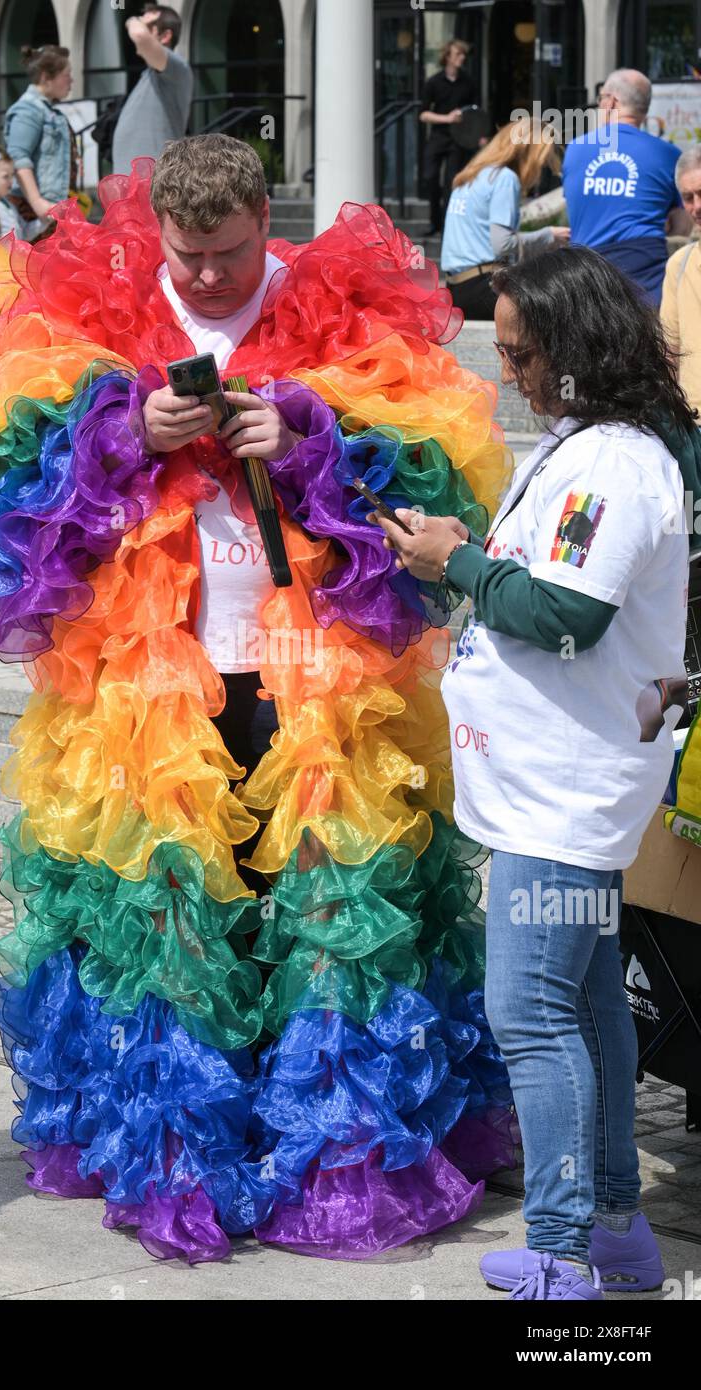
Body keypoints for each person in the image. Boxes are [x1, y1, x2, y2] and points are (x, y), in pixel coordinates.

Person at [0, 133, 520, 1263]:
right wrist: (124, 435)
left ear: (262, 225)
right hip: (151, 686)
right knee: (169, 917)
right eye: (188, 257)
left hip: (320, 675)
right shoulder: (105, 309)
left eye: (227, 255)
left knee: (328, 909)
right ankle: (180, 1151)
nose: (203, 279)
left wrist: (306, 440)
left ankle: (335, 1159)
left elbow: (435, 484)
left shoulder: (334, 305)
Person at [377, 242, 700, 1299]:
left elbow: (565, 614)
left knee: (533, 1013)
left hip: (563, 796)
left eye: (518, 353)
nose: (507, 369)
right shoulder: (595, 442)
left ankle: (561, 1251)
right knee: (592, 1003)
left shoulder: (615, 460)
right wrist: (472, 552)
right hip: (549, 783)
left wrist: (454, 562)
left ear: (572, 350)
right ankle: (614, 1230)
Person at [562, 69, 693, 307]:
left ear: (612, 101)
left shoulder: (575, 149)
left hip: (585, 274)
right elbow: (683, 226)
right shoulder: (669, 154)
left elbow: (576, 207)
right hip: (645, 276)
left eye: (601, 98)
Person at [441, 119, 570, 320]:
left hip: (456, 288)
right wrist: (548, 236)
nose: (540, 170)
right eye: (542, 160)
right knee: (562, 307)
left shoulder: (472, 176)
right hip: (483, 288)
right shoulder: (505, 179)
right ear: (529, 153)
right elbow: (502, 244)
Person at [4, 45, 74, 240]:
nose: (71, 81)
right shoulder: (28, 111)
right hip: (35, 213)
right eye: (66, 75)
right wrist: (37, 202)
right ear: (46, 77)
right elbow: (18, 157)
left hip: (49, 210)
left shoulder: (47, 111)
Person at [112, 6, 192, 176]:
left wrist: (133, 20)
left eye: (148, 27)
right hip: (138, 188)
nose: (138, 32)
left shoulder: (177, 68)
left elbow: (140, 36)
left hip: (155, 186)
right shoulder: (150, 74)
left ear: (165, 36)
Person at [420, 39, 478, 236]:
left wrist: (475, 131)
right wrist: (446, 118)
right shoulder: (433, 82)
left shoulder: (468, 82)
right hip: (438, 136)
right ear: (447, 57)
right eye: (457, 55)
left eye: (463, 55)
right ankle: (433, 220)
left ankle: (446, 225)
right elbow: (423, 114)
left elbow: (475, 111)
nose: (461, 58)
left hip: (458, 139)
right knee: (430, 177)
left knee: (451, 183)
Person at [660, 144, 701, 415]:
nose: (697, 206)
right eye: (688, 197)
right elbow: (669, 351)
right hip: (693, 420)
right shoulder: (680, 263)